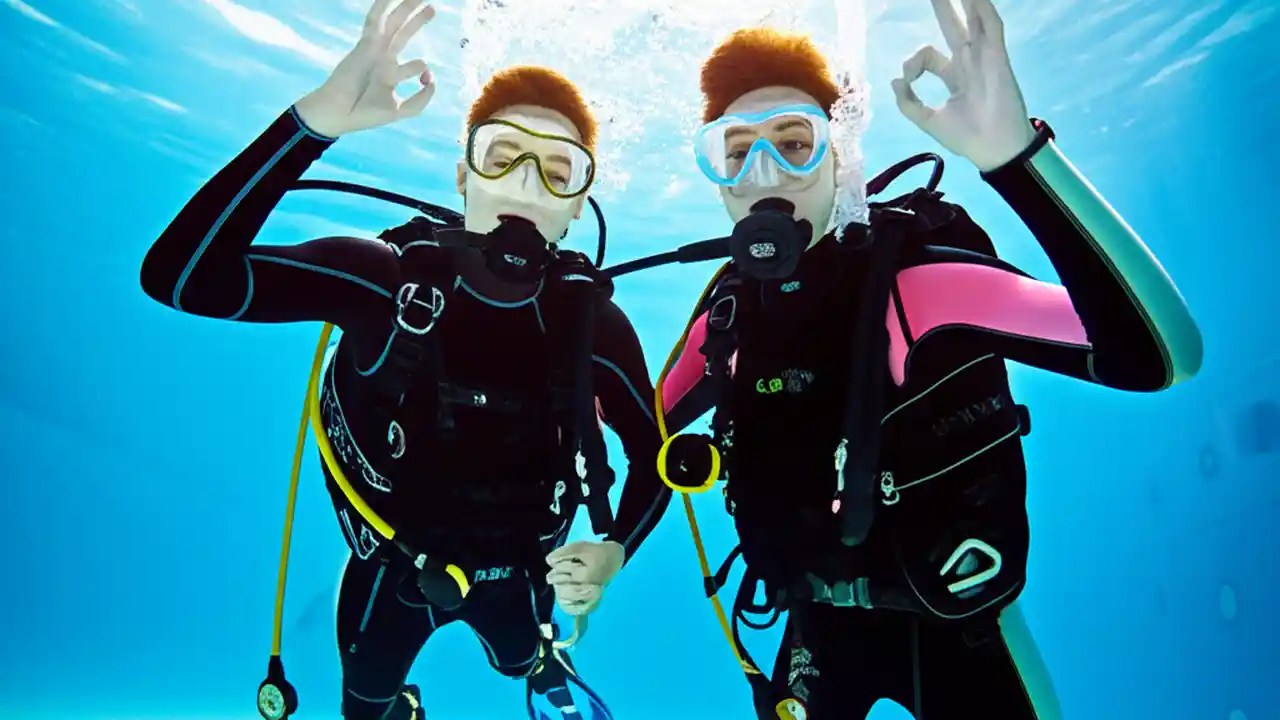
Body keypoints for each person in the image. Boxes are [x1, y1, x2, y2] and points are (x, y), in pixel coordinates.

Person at [565, 1, 1203, 718]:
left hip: (959, 627)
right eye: (735, 150)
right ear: (715, 175)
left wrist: (1017, 158)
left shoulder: (920, 284)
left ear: (842, 156)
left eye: (794, 141)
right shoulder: (727, 321)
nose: (763, 171)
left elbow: (1161, 357)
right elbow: (626, 421)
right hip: (813, 631)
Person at [139, 2, 666, 719]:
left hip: (522, 572)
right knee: (369, 706)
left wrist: (612, 552)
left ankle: (542, 665)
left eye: (559, 169)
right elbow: (180, 278)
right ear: (462, 174)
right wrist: (311, 124)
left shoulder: (594, 326)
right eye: (502, 153)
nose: (524, 183)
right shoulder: (383, 281)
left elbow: (654, 458)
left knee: (523, 658)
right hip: (393, 568)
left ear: (578, 207)